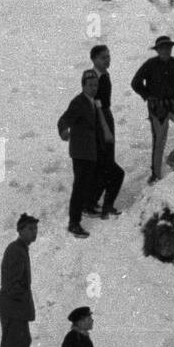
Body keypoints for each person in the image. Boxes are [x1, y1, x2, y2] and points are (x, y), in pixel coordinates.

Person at [131, 35, 174, 181]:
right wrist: (148, 95)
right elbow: (135, 83)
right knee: (159, 140)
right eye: (163, 48)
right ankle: (156, 174)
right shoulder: (149, 64)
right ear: (158, 50)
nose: (166, 50)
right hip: (157, 107)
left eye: (168, 48)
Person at [58, 70, 111, 238]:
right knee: (79, 187)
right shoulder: (79, 102)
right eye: (90, 85)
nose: (94, 88)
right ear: (83, 85)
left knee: (89, 181)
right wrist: (63, 131)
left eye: (96, 85)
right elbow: (64, 119)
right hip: (81, 152)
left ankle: (87, 207)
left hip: (90, 151)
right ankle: (74, 223)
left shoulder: (92, 102)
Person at [0, 214, 38, 347]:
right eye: (30, 229)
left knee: (15, 342)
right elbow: (11, 283)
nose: (34, 232)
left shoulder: (20, 248)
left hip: (14, 306)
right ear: (20, 231)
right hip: (14, 307)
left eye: (35, 229)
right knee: (16, 343)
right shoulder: (16, 250)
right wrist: (20, 301)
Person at [86, 45, 123, 216]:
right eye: (103, 57)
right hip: (100, 120)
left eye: (108, 56)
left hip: (105, 117)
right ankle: (104, 205)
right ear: (94, 60)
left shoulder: (104, 75)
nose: (107, 60)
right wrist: (104, 128)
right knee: (108, 166)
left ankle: (91, 202)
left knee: (105, 163)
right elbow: (94, 103)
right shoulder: (93, 77)